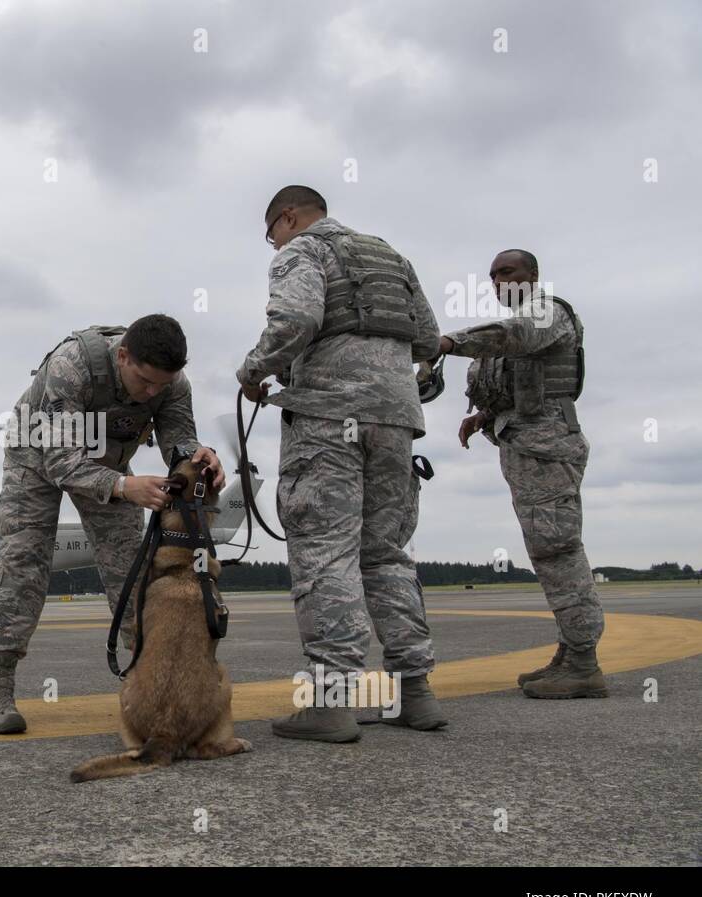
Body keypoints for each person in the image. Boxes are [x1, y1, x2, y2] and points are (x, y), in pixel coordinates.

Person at [237, 185, 445, 742]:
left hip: (329, 420)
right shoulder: (389, 255)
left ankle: (330, 703)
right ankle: (414, 694)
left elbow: (295, 320)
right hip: (397, 420)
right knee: (385, 554)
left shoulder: (302, 251)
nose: (272, 244)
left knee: (326, 551)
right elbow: (427, 338)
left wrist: (254, 370)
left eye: (271, 233)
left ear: (288, 217)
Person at [0, 314, 225, 734]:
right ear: (123, 355)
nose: (152, 393)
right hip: (36, 455)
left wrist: (199, 457)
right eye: (145, 381)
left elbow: (177, 438)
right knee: (24, 561)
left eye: (161, 386)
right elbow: (60, 461)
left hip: (108, 459)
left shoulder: (171, 384)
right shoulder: (71, 366)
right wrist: (124, 486)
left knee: (133, 569)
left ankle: (153, 685)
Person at [438, 249, 605, 698]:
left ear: (533, 274)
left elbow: (518, 337)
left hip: (548, 450)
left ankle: (584, 662)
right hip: (525, 449)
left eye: (507, 271)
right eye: (492, 275)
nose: (498, 280)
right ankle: (572, 653)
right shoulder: (511, 328)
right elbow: (514, 384)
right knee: (546, 551)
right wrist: (482, 415)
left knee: (558, 550)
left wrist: (449, 343)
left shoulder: (547, 314)